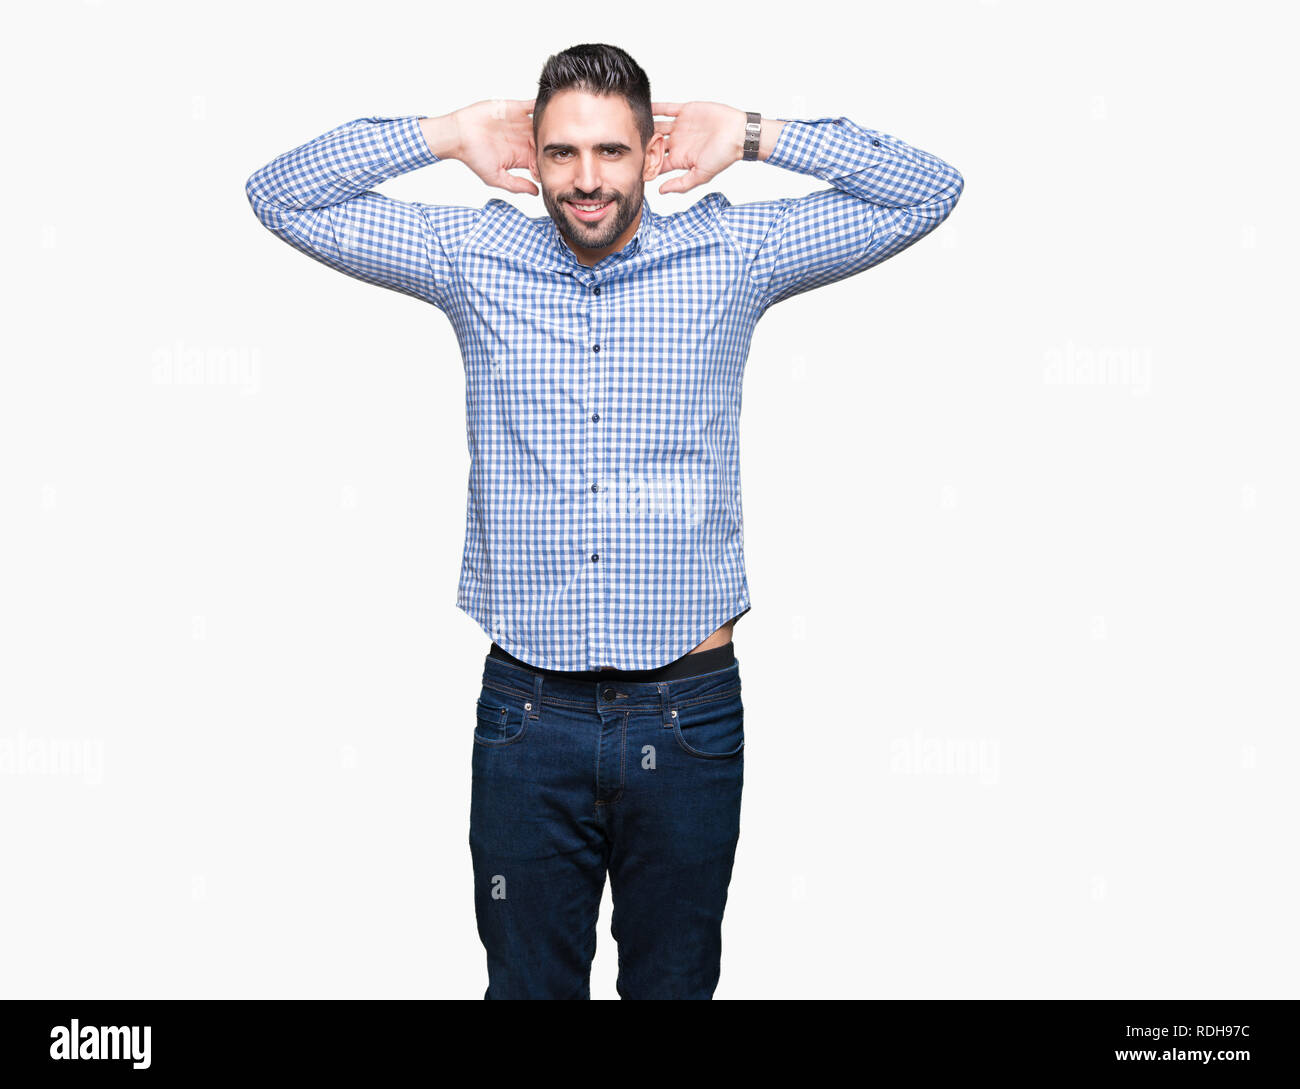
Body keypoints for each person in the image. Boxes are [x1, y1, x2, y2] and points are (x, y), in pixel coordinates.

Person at [245, 42, 962, 999]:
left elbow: (928, 190)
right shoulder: (473, 257)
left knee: (674, 988)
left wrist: (752, 134)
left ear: (650, 150)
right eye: (562, 153)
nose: (586, 181)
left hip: (690, 712)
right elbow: (280, 195)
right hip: (528, 718)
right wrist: (449, 131)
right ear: (532, 156)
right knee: (526, 991)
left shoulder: (733, 254)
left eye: (612, 152)